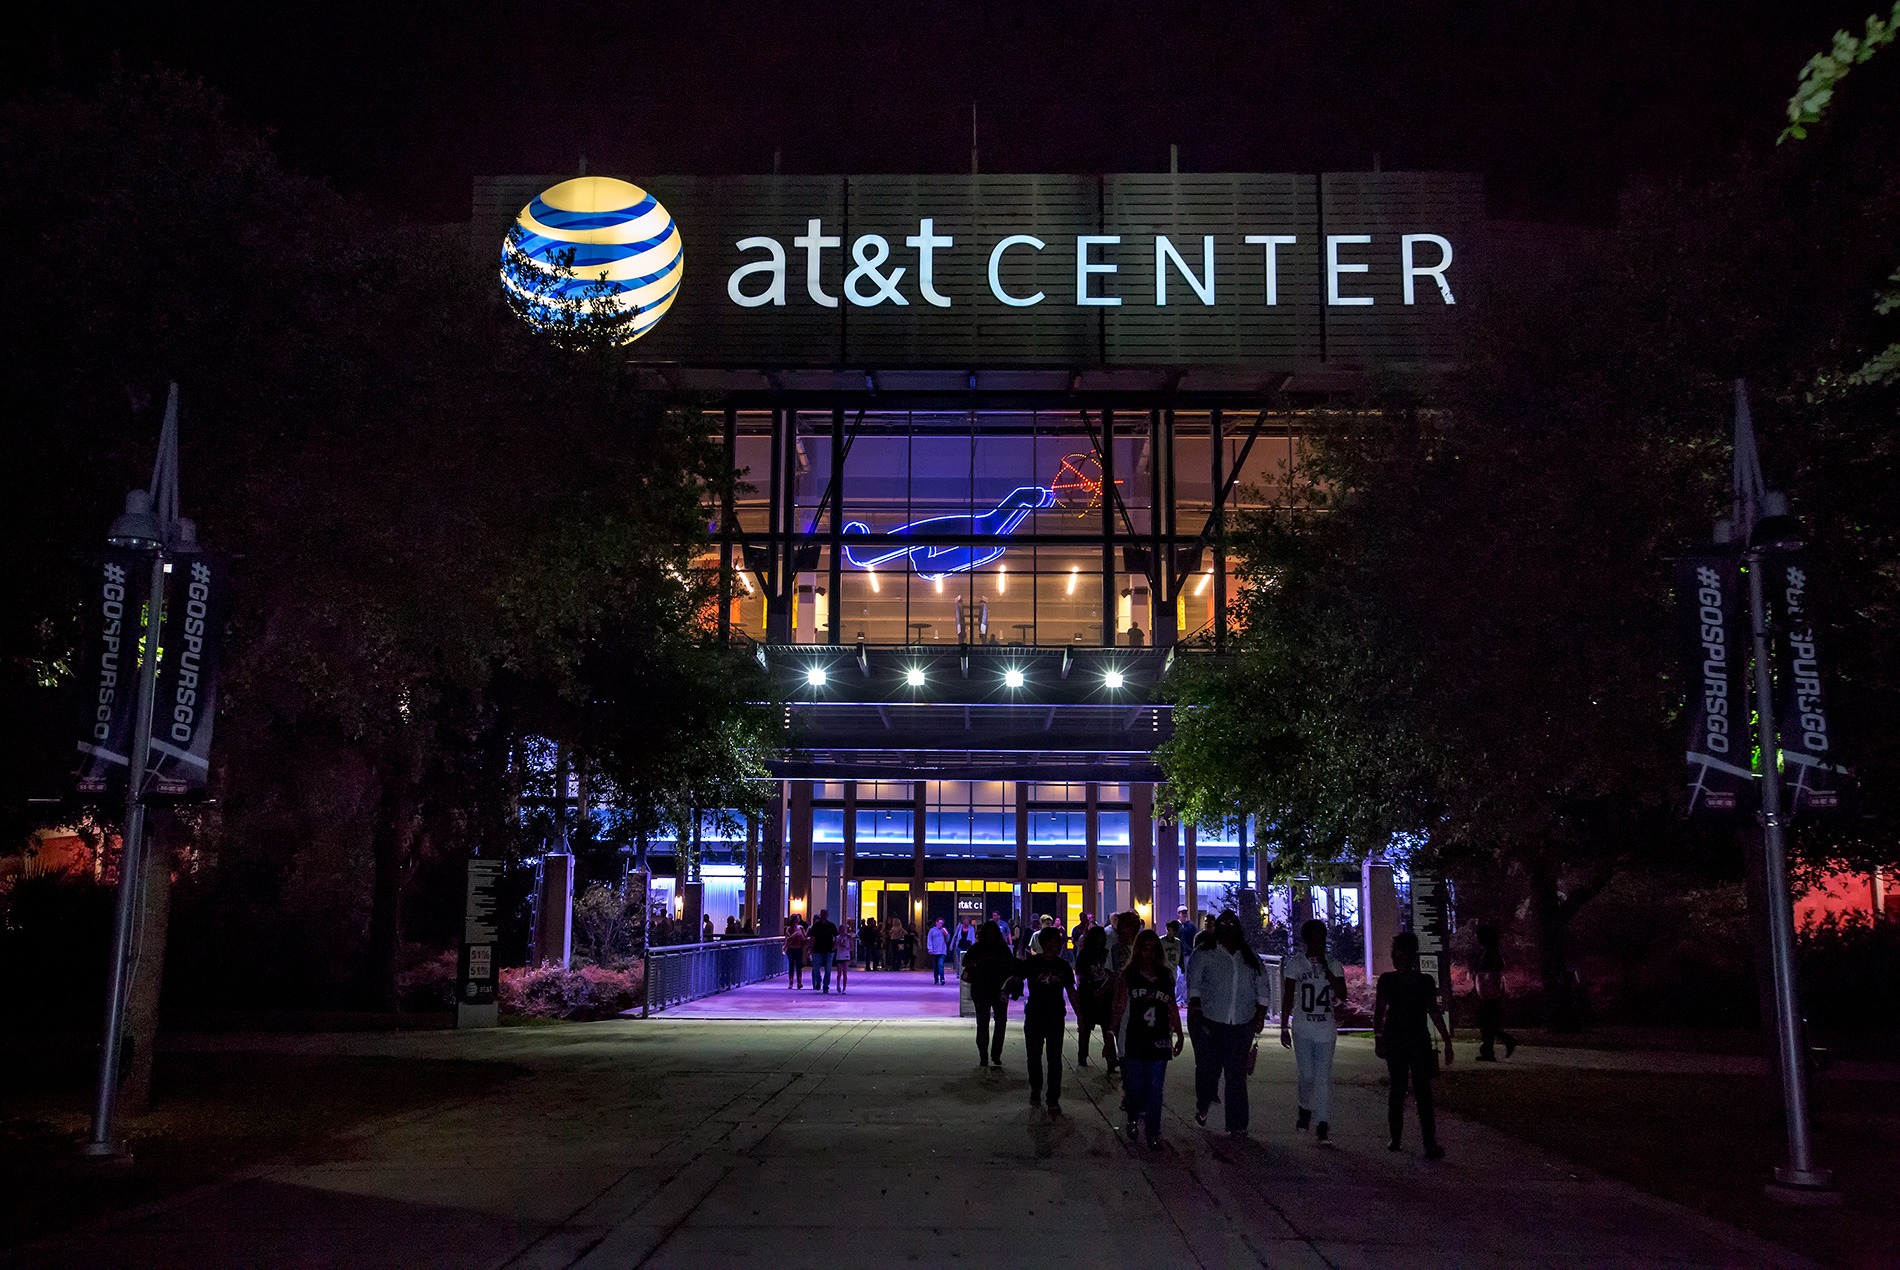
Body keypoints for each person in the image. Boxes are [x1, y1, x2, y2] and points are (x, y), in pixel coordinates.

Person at [1186, 909, 1271, 1136]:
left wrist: (1260, 1015)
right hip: (1211, 1023)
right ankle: (1203, 1104)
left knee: (1236, 1076)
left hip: (1242, 1023)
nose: (1227, 927)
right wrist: (1195, 1015)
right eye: (1223, 923)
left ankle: (1237, 1125)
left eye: (1232, 923)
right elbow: (1193, 986)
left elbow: (1262, 987)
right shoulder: (1204, 954)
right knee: (1208, 1071)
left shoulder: (1249, 957)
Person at [1374, 930, 1454, 1159]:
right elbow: (1380, 1013)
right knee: (1410, 1090)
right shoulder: (1417, 981)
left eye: (1400, 954)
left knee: (1408, 1090)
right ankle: (1415, 1141)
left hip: (1409, 1040)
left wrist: (1447, 1041)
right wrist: (1379, 1037)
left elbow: (1432, 1011)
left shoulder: (1398, 981)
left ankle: (1404, 1139)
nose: (1397, 958)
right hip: (1407, 1040)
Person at [1113, 929, 1185, 1148]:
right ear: (1138, 951)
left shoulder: (1165, 976)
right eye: (1144, 950)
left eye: (1153, 950)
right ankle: (1133, 1117)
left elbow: (1171, 1004)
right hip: (1135, 1038)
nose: (1148, 954)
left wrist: (1180, 1033)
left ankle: (1153, 1132)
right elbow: (1120, 1005)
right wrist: (1110, 1032)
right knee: (1134, 1087)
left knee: (1155, 1089)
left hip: (1159, 1039)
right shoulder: (1129, 975)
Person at [1280, 918, 1348, 1143]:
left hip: (1325, 1028)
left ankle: (1323, 1124)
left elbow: (1342, 994)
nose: (1320, 942)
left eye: (1323, 937)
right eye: (1315, 937)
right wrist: (1283, 1026)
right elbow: (1289, 995)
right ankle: (1304, 1107)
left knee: (1322, 1077)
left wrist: (1327, 970)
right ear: (1307, 940)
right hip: (1302, 1027)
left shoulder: (1333, 964)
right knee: (1307, 1075)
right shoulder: (1296, 964)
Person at [1013, 927, 1082, 1114]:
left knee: (1054, 1058)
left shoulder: (1063, 966)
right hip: (1035, 1015)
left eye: (1058, 943)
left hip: (1055, 1016)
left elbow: (1071, 991)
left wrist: (1080, 1016)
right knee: (1034, 1056)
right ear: (1043, 944)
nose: (1056, 946)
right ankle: (1036, 1088)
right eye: (1052, 942)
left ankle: (1053, 1096)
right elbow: (1016, 978)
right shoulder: (1032, 963)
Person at [962, 920, 1016, 1068]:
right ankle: (990, 1055)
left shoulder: (979, 948)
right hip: (993, 989)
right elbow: (1011, 965)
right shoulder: (999, 948)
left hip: (987, 989)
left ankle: (987, 1055)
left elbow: (965, 962)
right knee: (995, 1022)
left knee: (985, 1023)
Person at [1473, 923, 1518, 1062]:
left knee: (1487, 1024)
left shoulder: (1490, 953)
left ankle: (1501, 1043)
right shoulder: (1492, 951)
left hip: (1489, 995)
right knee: (1489, 1024)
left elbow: (1489, 973)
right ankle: (1488, 1050)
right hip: (1491, 994)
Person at [1073, 926, 1116, 1070]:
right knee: (1086, 1028)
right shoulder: (1085, 954)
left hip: (1104, 996)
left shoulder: (1106, 953)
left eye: (1103, 936)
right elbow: (1080, 975)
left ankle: (1111, 1058)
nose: (1101, 939)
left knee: (1106, 1028)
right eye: (1099, 936)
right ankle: (1082, 1056)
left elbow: (1112, 974)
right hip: (1088, 994)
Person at [808, 908, 839, 994]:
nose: (824, 915)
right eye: (822, 914)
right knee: (816, 968)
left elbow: (837, 936)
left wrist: (834, 946)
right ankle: (818, 981)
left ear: (827, 915)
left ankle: (826, 986)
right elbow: (812, 938)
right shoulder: (816, 926)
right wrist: (810, 948)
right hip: (817, 949)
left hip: (828, 950)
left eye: (825, 914)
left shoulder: (831, 925)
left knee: (828, 969)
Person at [783, 918, 809, 990]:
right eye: (796, 919)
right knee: (791, 965)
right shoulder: (788, 929)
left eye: (798, 919)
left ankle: (799, 982)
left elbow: (804, 938)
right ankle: (791, 982)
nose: (797, 920)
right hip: (791, 949)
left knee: (798, 966)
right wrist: (793, 935)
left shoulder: (800, 928)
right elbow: (787, 939)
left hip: (798, 949)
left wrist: (807, 940)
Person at [927, 919, 951, 984]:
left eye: (942, 923)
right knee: (935, 966)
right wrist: (930, 949)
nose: (940, 924)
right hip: (935, 951)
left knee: (941, 964)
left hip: (942, 950)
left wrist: (946, 934)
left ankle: (942, 979)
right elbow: (929, 940)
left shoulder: (944, 930)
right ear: (936, 923)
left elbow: (947, 940)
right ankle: (936, 978)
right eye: (939, 923)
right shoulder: (932, 931)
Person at [835, 918, 855, 995]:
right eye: (842, 930)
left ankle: (844, 988)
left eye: (844, 930)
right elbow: (834, 947)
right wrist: (838, 943)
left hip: (846, 956)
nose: (843, 932)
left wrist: (848, 947)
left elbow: (852, 948)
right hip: (839, 956)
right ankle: (838, 985)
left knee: (845, 973)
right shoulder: (837, 938)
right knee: (839, 973)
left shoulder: (848, 938)